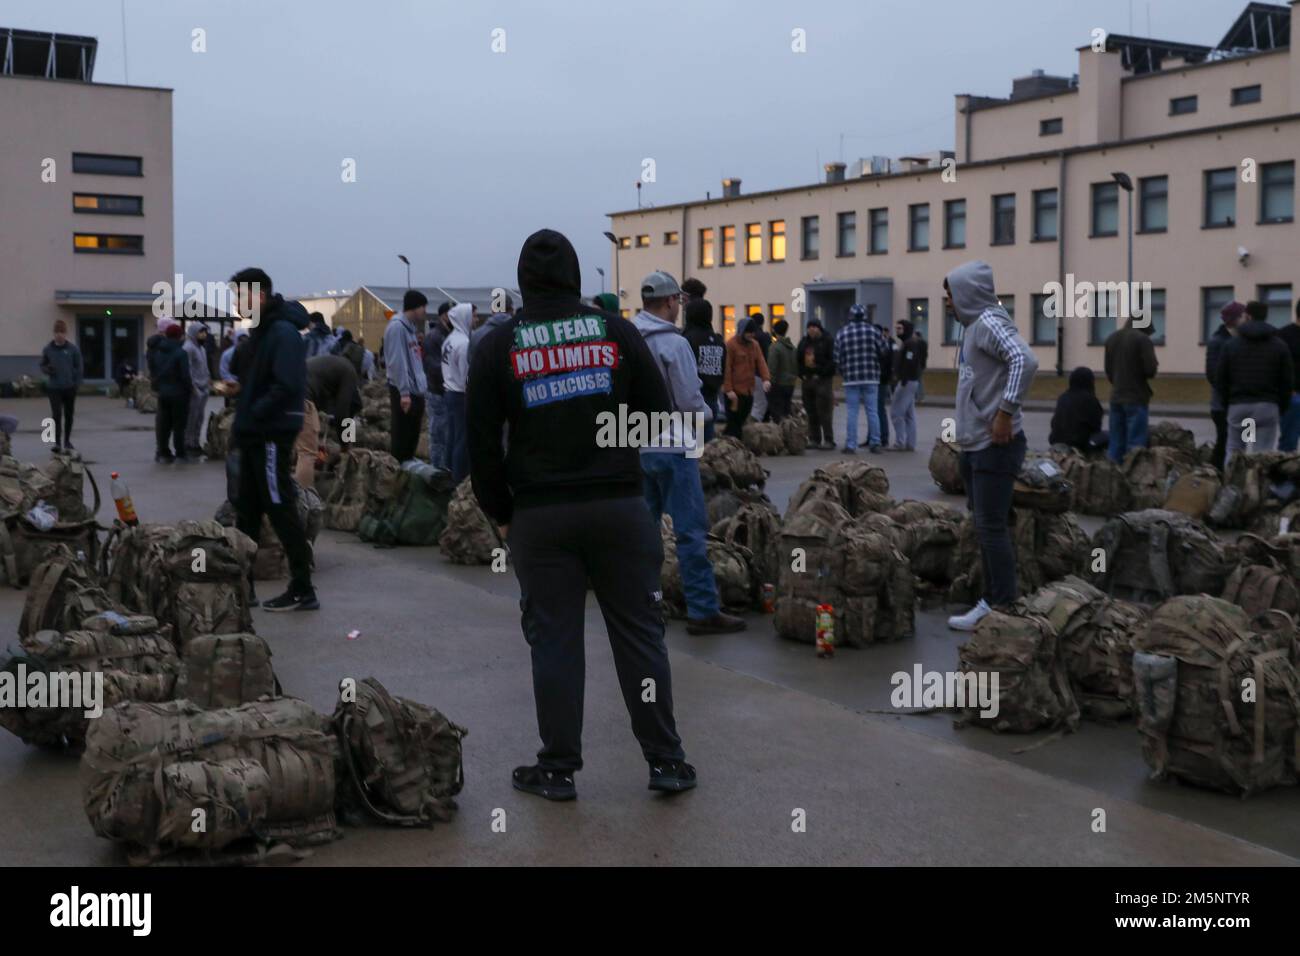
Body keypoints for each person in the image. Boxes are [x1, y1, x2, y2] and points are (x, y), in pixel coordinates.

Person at [467, 228, 696, 800]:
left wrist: (500, 513)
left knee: (556, 641)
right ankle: (665, 761)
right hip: (618, 506)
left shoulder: (498, 344)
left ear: (522, 280)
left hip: (541, 516)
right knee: (640, 636)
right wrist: (613, 455)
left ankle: (559, 768)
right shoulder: (615, 330)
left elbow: (477, 445)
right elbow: (657, 413)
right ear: (574, 274)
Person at [633, 270, 746, 636]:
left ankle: (643, 604)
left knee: (644, 531)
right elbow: (688, 399)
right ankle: (702, 609)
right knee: (690, 532)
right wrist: (709, 414)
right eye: (677, 301)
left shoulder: (627, 337)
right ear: (669, 302)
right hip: (675, 446)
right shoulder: (673, 344)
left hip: (638, 444)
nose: (680, 307)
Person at [943, 260, 1038, 632]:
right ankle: (994, 596)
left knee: (992, 527)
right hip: (975, 445)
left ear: (967, 294)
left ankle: (1001, 603)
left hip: (995, 445)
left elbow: (1025, 360)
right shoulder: (971, 328)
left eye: (951, 294)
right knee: (986, 527)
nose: (947, 302)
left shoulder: (988, 322)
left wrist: (1005, 412)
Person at [228, 267, 318, 612]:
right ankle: (243, 586)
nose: (237, 302)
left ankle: (302, 587)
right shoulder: (261, 333)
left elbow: (287, 386)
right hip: (253, 435)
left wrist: (253, 414)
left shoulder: (283, 334)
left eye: (240, 295)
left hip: (270, 437)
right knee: (247, 511)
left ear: (260, 297)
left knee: (280, 508)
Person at [1216, 300, 1294, 465]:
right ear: (1266, 316)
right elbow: (1287, 381)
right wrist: (1280, 406)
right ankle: (1258, 486)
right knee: (1262, 453)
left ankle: (1234, 486)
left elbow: (1221, 379)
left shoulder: (1231, 345)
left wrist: (1227, 403)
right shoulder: (1279, 345)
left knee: (1236, 449)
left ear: (1247, 316)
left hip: (1240, 408)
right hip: (1267, 408)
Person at [833, 304, 890, 454]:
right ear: (865, 316)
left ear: (850, 316)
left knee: (852, 412)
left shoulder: (842, 333)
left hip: (851, 378)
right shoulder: (874, 331)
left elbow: (836, 357)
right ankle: (875, 443)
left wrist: (843, 368)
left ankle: (851, 444)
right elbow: (885, 350)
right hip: (871, 377)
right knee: (873, 411)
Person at [1103, 315, 1158, 462]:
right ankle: (1131, 480)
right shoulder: (1142, 339)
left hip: (1116, 396)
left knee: (1115, 443)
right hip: (1136, 397)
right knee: (1135, 446)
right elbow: (1150, 369)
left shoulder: (1112, 338)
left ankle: (1112, 478)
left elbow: (1108, 371)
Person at [382, 290, 429, 463]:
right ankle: (398, 470)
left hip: (416, 389)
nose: (424, 310)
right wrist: (404, 393)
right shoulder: (397, 328)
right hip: (405, 391)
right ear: (414, 307)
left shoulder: (410, 329)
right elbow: (397, 362)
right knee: (402, 436)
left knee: (412, 436)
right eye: (423, 306)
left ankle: (407, 466)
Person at [1205, 301, 1245, 471]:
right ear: (1235, 319)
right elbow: (1213, 374)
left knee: (1245, 441)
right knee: (1224, 441)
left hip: (1242, 404)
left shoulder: (1240, 340)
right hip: (1223, 405)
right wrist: (1232, 391)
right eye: (1243, 315)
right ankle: (1216, 474)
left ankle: (1238, 473)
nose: (1246, 319)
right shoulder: (1218, 342)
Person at [681, 297, 724, 441]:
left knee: (692, 448)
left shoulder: (687, 339)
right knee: (707, 444)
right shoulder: (718, 340)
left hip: (693, 398)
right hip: (713, 397)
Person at [721, 316, 770, 438]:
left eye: (752, 333)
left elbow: (761, 362)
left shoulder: (754, 345)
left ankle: (731, 440)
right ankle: (731, 442)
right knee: (734, 422)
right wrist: (728, 389)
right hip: (734, 393)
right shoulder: (731, 345)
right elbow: (727, 368)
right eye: (748, 333)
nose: (751, 335)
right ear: (742, 331)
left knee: (742, 419)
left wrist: (766, 379)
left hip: (748, 390)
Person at [441, 302, 473, 481]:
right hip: (460, 394)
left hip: (449, 391)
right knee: (462, 439)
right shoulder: (464, 343)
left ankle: (449, 470)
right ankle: (459, 479)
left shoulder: (450, 339)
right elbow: (465, 375)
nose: (475, 320)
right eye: (472, 316)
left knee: (452, 436)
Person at [40, 319, 83, 451]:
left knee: (69, 415)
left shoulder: (73, 349)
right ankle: (57, 443)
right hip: (54, 388)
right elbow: (42, 365)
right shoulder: (48, 349)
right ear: (54, 333)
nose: (60, 335)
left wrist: (76, 383)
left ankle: (67, 441)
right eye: (57, 332)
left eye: (62, 332)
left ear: (66, 334)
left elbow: (79, 367)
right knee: (56, 415)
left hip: (69, 387)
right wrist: (48, 369)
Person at [153, 320, 191, 464]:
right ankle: (180, 453)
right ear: (179, 336)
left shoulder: (158, 352)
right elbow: (185, 375)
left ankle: (163, 452)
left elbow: (154, 370)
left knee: (164, 425)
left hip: (163, 393)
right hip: (179, 394)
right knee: (179, 426)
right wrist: (189, 389)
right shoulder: (181, 353)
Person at [796, 319, 835, 448]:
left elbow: (832, 361)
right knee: (810, 410)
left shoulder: (828, 340)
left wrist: (822, 372)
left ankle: (828, 439)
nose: (812, 330)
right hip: (807, 379)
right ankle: (814, 438)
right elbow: (798, 358)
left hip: (822, 380)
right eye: (809, 327)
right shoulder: (804, 341)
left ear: (819, 328)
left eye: (814, 327)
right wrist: (801, 373)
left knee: (824, 410)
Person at [1049, 366, 1106, 453]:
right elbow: (1096, 425)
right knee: (1108, 436)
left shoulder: (1063, 397)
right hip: (1079, 444)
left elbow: (1054, 422)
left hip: (1056, 440)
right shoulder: (1090, 400)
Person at [423, 302, 452, 469]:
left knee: (445, 433)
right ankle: (437, 469)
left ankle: (442, 467)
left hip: (443, 391)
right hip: (437, 392)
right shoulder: (434, 337)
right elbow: (433, 367)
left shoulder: (447, 334)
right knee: (438, 434)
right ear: (443, 316)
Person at [888, 318, 923, 451]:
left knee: (896, 413)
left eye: (899, 328)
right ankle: (910, 443)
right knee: (909, 414)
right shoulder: (907, 343)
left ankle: (900, 442)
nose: (897, 331)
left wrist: (902, 378)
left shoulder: (909, 344)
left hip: (906, 382)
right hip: (910, 381)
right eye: (896, 328)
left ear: (906, 329)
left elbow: (910, 362)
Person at [182, 322, 211, 458]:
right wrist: (193, 387)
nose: (204, 335)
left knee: (199, 417)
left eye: (205, 332)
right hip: (195, 389)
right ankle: (188, 443)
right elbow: (187, 370)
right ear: (194, 333)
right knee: (191, 418)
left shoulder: (202, 348)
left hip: (203, 387)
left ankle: (195, 442)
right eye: (201, 332)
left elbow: (203, 367)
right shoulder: (188, 348)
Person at [1277, 300, 1300, 452]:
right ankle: (1285, 474)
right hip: (1293, 396)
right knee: (1289, 441)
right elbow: (1276, 365)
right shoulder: (1284, 335)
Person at [766, 318, 797, 422]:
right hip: (790, 384)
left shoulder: (775, 348)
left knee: (777, 415)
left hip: (778, 385)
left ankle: (780, 435)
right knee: (786, 412)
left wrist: (769, 383)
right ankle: (789, 434)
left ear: (774, 331)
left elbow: (772, 368)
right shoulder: (792, 348)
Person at [469, 293, 514, 365]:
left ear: (493, 310)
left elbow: (470, 362)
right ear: (512, 310)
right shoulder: (520, 333)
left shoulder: (477, 335)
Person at [746, 312, 772, 421]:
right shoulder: (765, 337)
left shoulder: (749, 338)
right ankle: (753, 427)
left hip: (749, 373)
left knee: (754, 403)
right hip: (761, 374)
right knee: (761, 404)